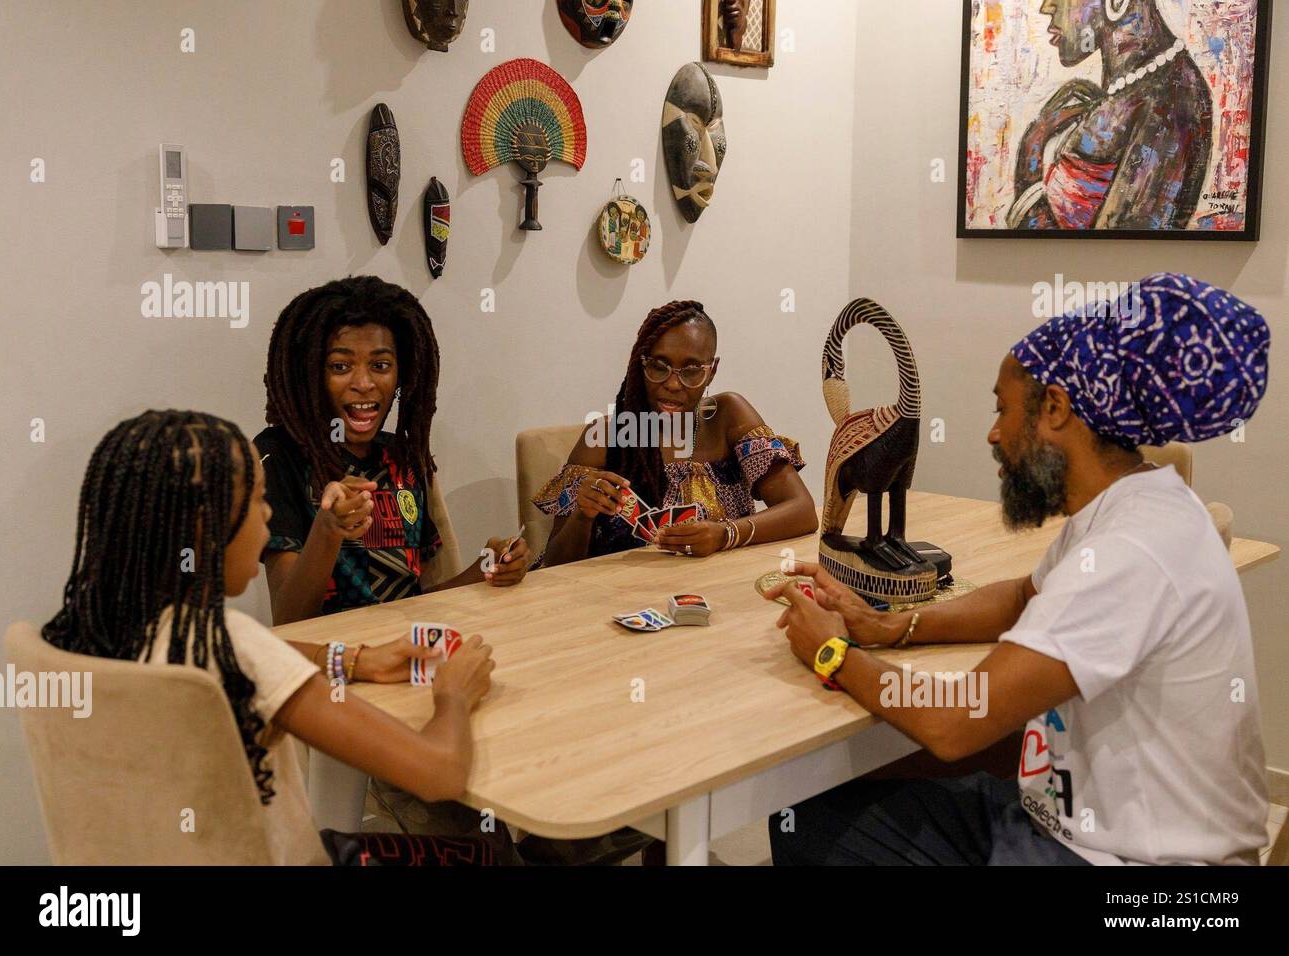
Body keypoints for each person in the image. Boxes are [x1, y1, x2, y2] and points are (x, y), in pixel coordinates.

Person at [765, 273, 1270, 865]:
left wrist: (834, 654)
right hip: (1069, 823)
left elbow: (957, 720)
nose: (993, 433)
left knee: (821, 831)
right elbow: (1021, 599)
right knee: (807, 819)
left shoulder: (1130, 552)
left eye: (1003, 410)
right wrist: (885, 624)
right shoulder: (1136, 503)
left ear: (1054, 409)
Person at [42, 410, 500, 865]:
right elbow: (439, 773)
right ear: (207, 527)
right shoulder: (234, 646)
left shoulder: (103, 628)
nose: (268, 519)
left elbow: (252, 652)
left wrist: (355, 660)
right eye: (259, 503)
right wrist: (454, 695)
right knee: (491, 846)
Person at [257, 275, 529, 627]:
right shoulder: (278, 456)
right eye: (341, 366)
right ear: (308, 373)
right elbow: (289, 617)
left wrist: (486, 567)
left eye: (380, 365)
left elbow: (419, 601)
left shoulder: (403, 457)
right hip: (333, 662)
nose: (364, 383)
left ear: (403, 374)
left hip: (406, 652)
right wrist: (328, 530)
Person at [537, 300, 817, 566]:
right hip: (621, 600)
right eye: (659, 367)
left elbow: (802, 511)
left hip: (720, 591)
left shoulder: (728, 415)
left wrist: (726, 534)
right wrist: (582, 516)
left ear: (712, 371)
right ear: (641, 364)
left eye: (692, 370)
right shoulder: (605, 436)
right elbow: (555, 563)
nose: (673, 383)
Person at [1008, 0, 1212, 230]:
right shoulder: (1133, 89)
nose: (1046, 7)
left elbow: (1112, 251)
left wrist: (1032, 148)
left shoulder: (1173, 98)